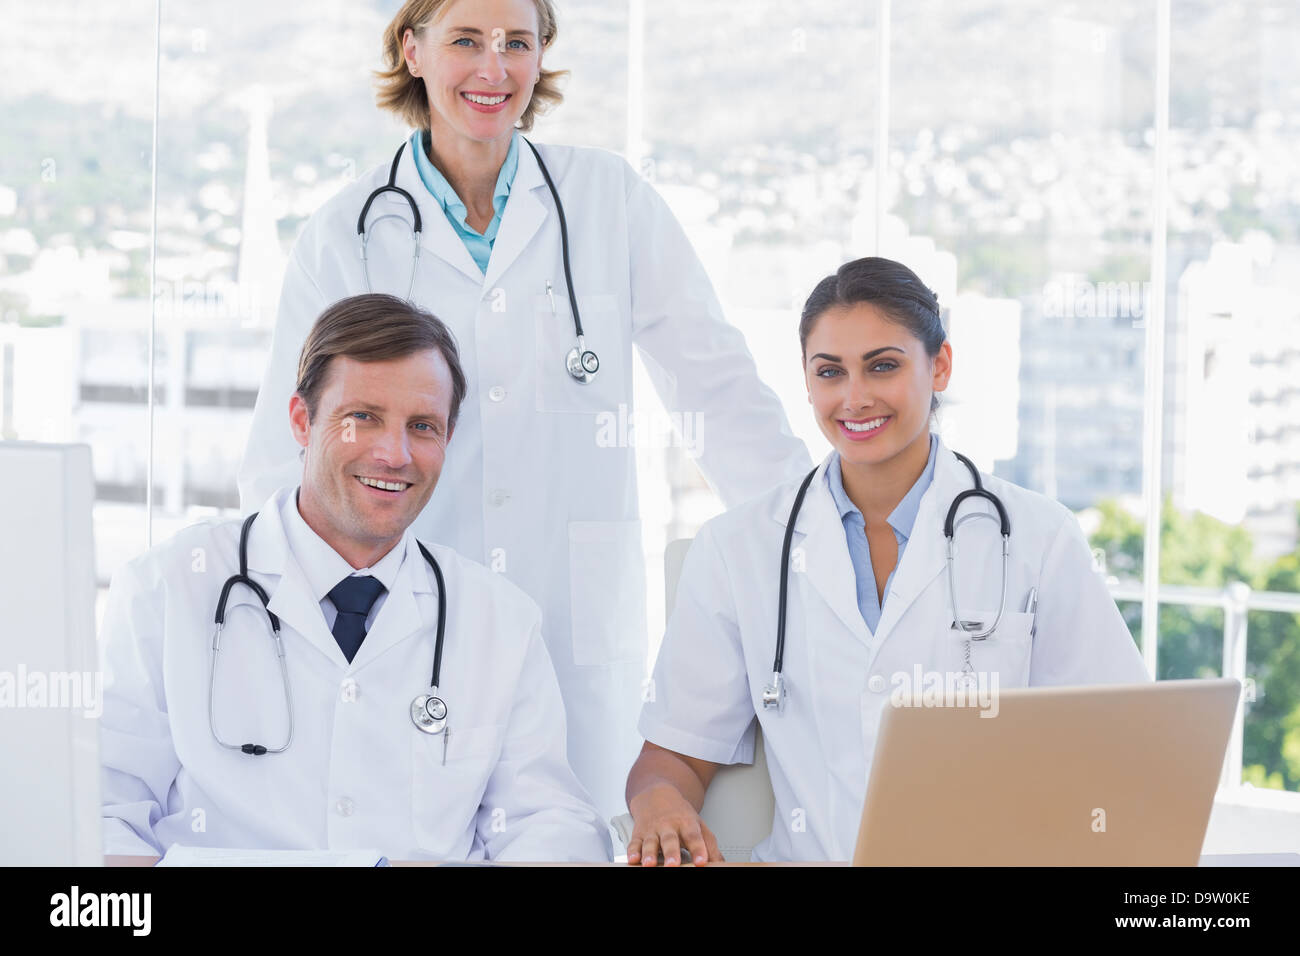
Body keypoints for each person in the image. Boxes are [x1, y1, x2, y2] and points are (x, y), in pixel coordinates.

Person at [238, 0, 810, 820]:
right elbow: (279, 456)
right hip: (405, 623)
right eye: (465, 40)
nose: (493, 69)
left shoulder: (609, 200)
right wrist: (291, 636)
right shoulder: (347, 236)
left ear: (543, 56)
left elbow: (718, 393)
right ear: (413, 49)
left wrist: (816, 538)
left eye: (518, 42)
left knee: (569, 834)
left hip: (575, 627)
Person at [624, 257, 1151, 864]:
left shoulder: (1039, 538)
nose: (855, 397)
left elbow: (1118, 740)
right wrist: (660, 807)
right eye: (830, 372)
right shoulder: (737, 548)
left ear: (941, 366)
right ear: (806, 378)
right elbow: (672, 757)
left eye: (883, 366)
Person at [100, 294, 611, 862]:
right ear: (302, 420)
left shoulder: (500, 621)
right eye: (362, 417)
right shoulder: (167, 590)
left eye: (423, 426)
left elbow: (548, 823)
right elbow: (101, 817)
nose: (395, 454)